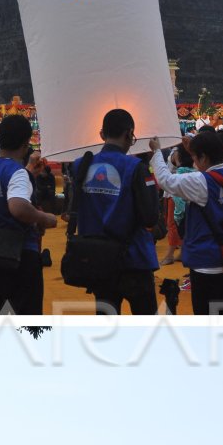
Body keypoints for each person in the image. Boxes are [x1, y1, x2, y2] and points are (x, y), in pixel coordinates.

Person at [70, 108, 160, 315]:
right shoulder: (136, 167)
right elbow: (150, 216)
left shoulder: (80, 166)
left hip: (97, 258)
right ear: (129, 134)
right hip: (134, 258)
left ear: (102, 134)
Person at [0, 114, 58, 315]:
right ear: (26, 142)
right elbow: (17, 207)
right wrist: (44, 218)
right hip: (18, 256)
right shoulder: (17, 172)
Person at [150, 126, 223, 315]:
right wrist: (193, 149)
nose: (193, 161)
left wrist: (157, 152)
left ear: (204, 158)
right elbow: (201, 171)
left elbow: (166, 180)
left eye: (195, 158)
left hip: (206, 265)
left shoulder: (202, 182)